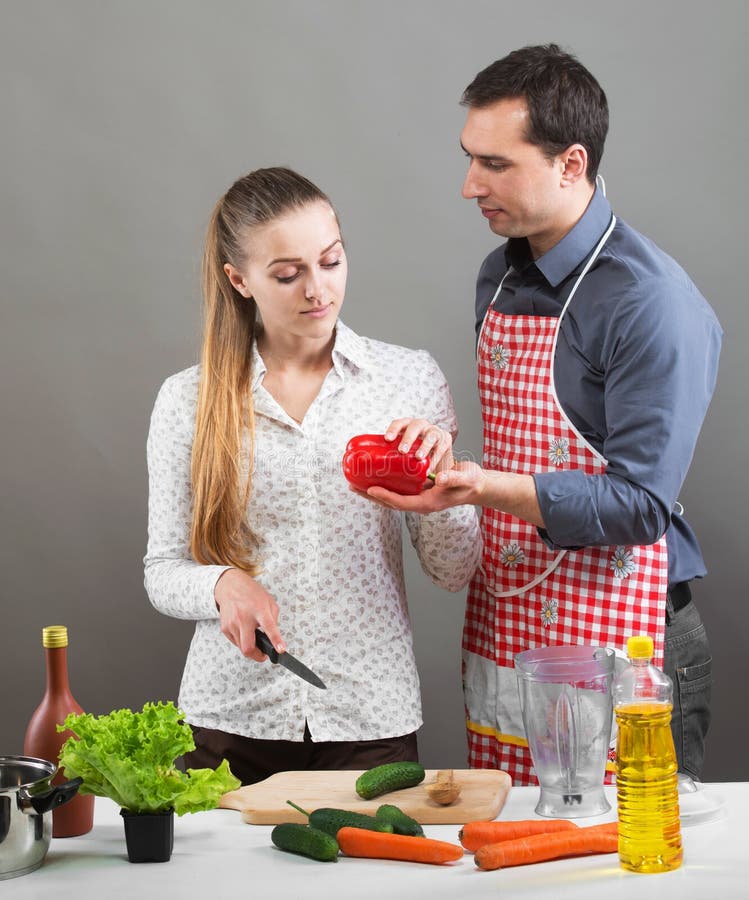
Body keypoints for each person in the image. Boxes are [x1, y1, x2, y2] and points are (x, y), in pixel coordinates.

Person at [364, 44, 721, 784]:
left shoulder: (648, 303)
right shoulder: (498, 274)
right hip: (512, 617)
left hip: (627, 635)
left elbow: (640, 505)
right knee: (517, 839)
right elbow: (525, 437)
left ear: (570, 164)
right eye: (470, 158)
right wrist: (448, 465)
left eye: (495, 164)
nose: (469, 185)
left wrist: (481, 488)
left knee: (624, 847)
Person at [143, 167, 481, 785]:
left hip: (369, 716)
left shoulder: (407, 379)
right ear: (239, 280)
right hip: (230, 717)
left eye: (331, 261)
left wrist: (445, 489)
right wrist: (222, 583)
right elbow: (162, 571)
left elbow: (453, 570)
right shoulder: (187, 400)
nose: (318, 290)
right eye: (287, 274)